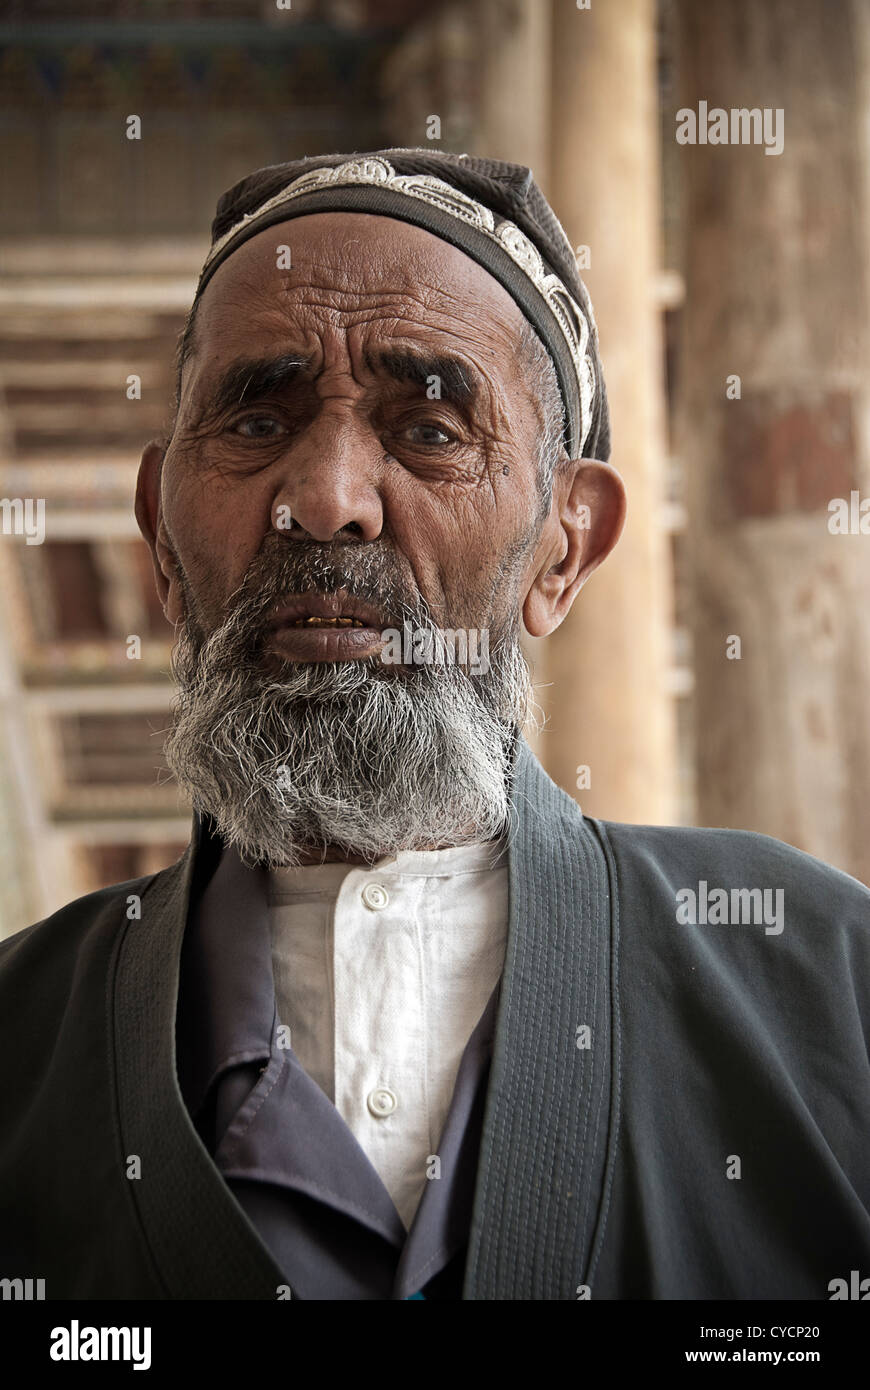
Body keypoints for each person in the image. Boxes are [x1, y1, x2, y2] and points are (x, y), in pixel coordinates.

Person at [1, 149, 868, 1301]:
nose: (328, 498)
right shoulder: (19, 1043)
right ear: (161, 535)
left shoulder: (824, 984)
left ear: (564, 550)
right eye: (258, 420)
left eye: (431, 429)